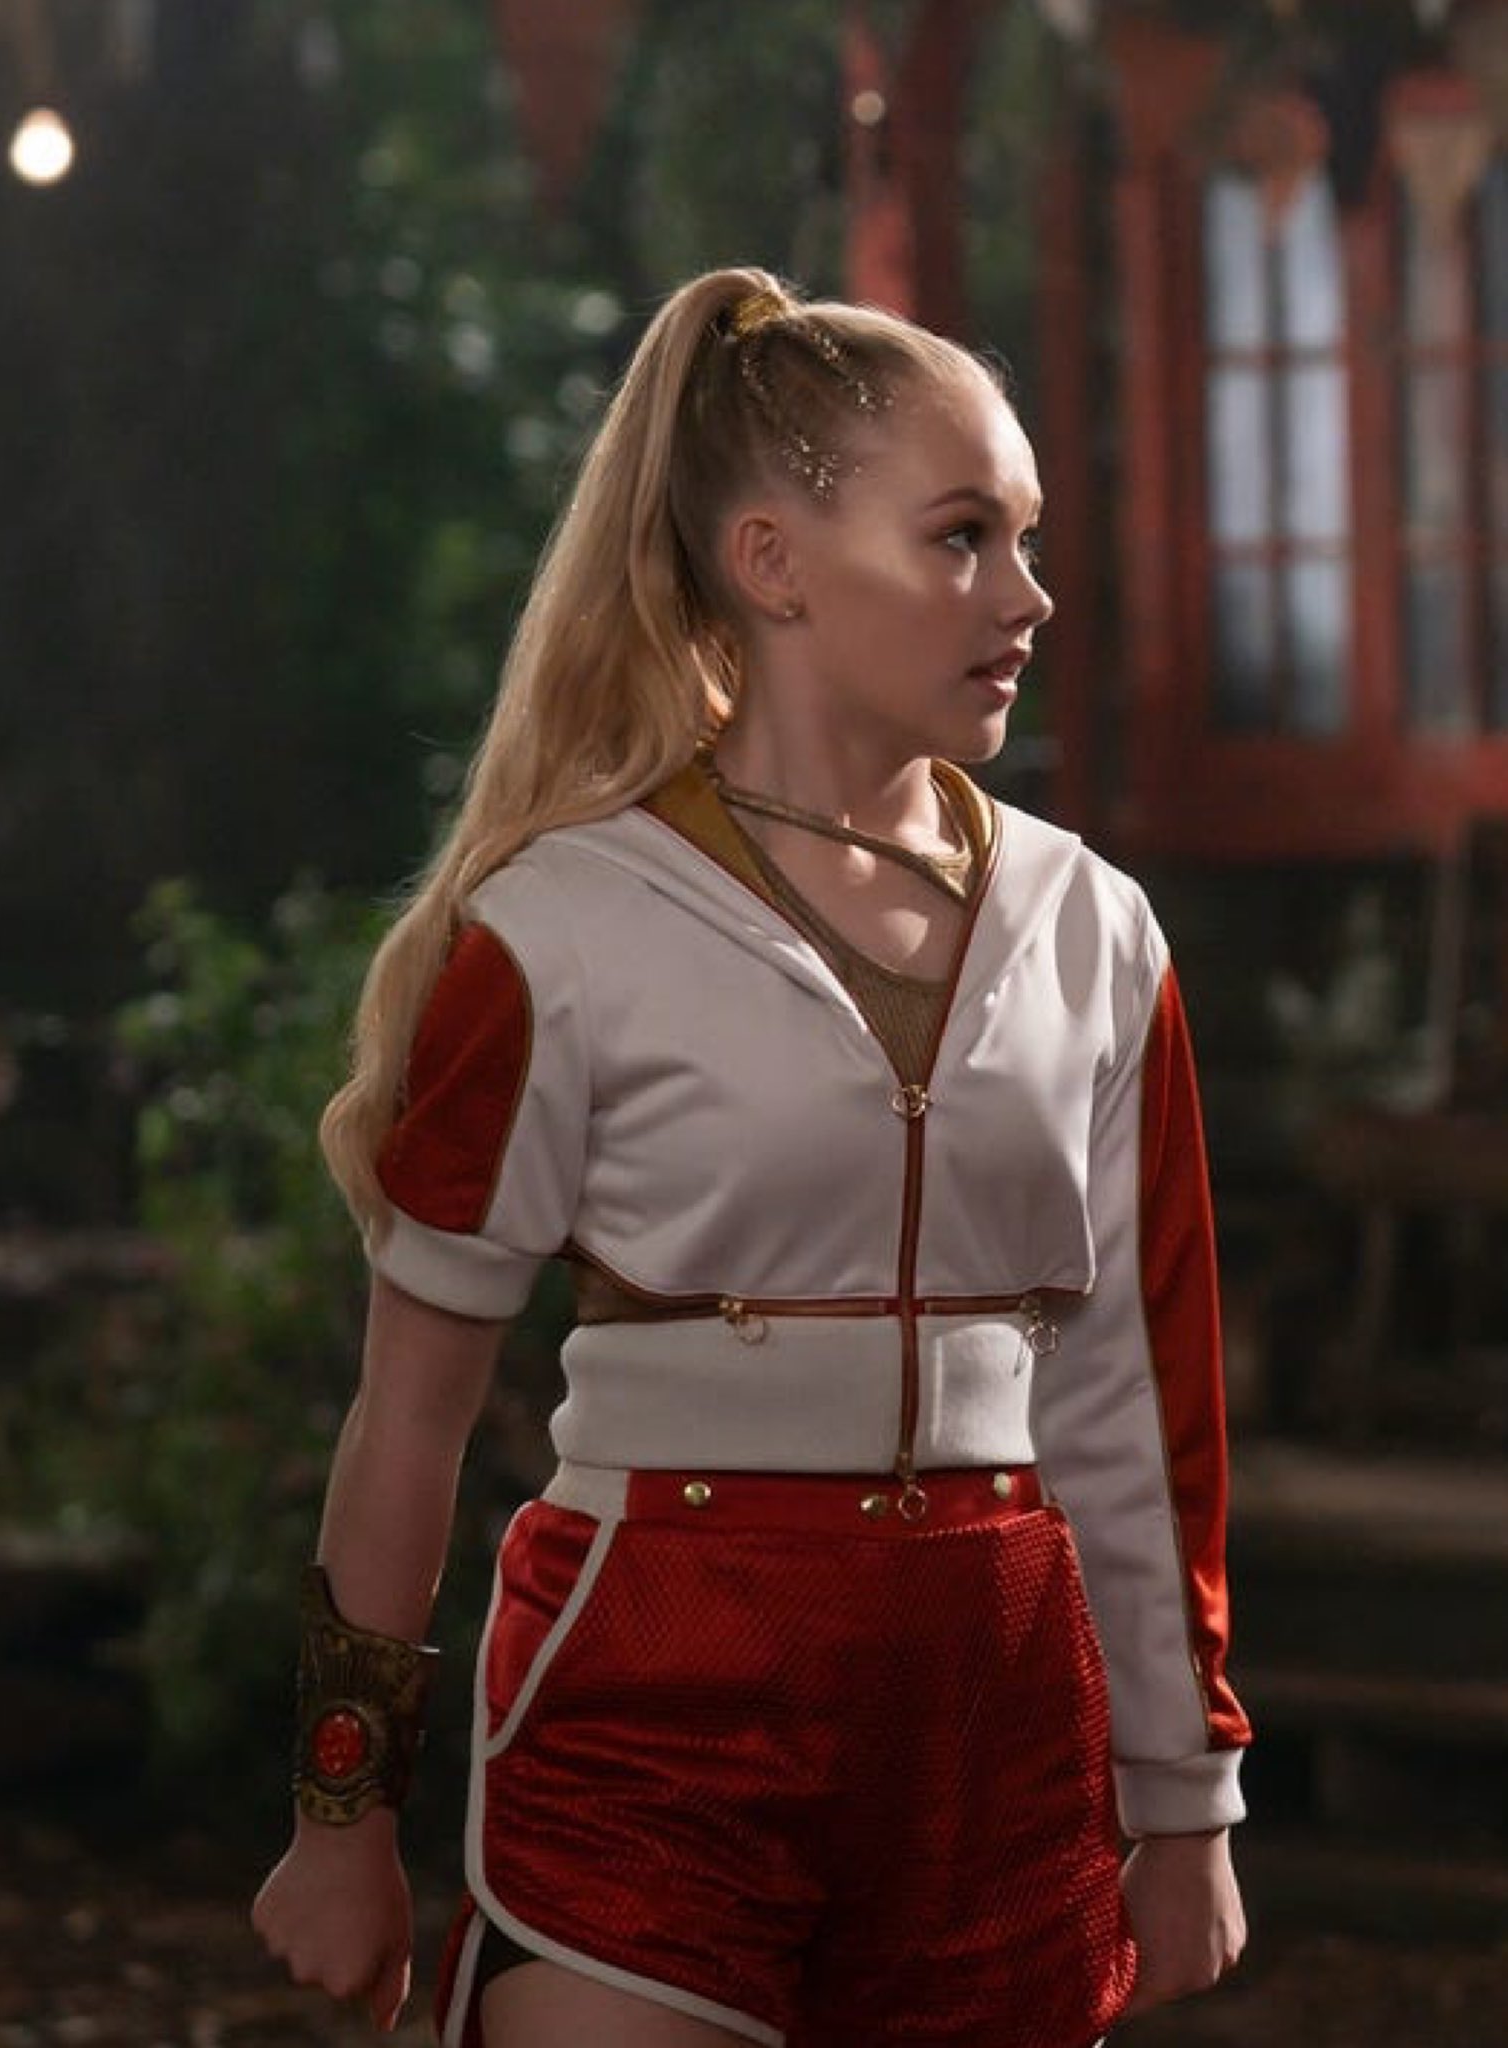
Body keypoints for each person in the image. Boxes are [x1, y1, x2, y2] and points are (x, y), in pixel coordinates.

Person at [252, 264, 1250, 2048]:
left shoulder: (1095, 928)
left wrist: (1183, 1804)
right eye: (961, 537)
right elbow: (405, 1419)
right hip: (657, 1686)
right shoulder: (560, 930)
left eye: (1025, 540)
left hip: (1000, 1721)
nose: (1025, 594)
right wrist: (342, 1825)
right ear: (772, 561)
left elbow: (1130, 1392)